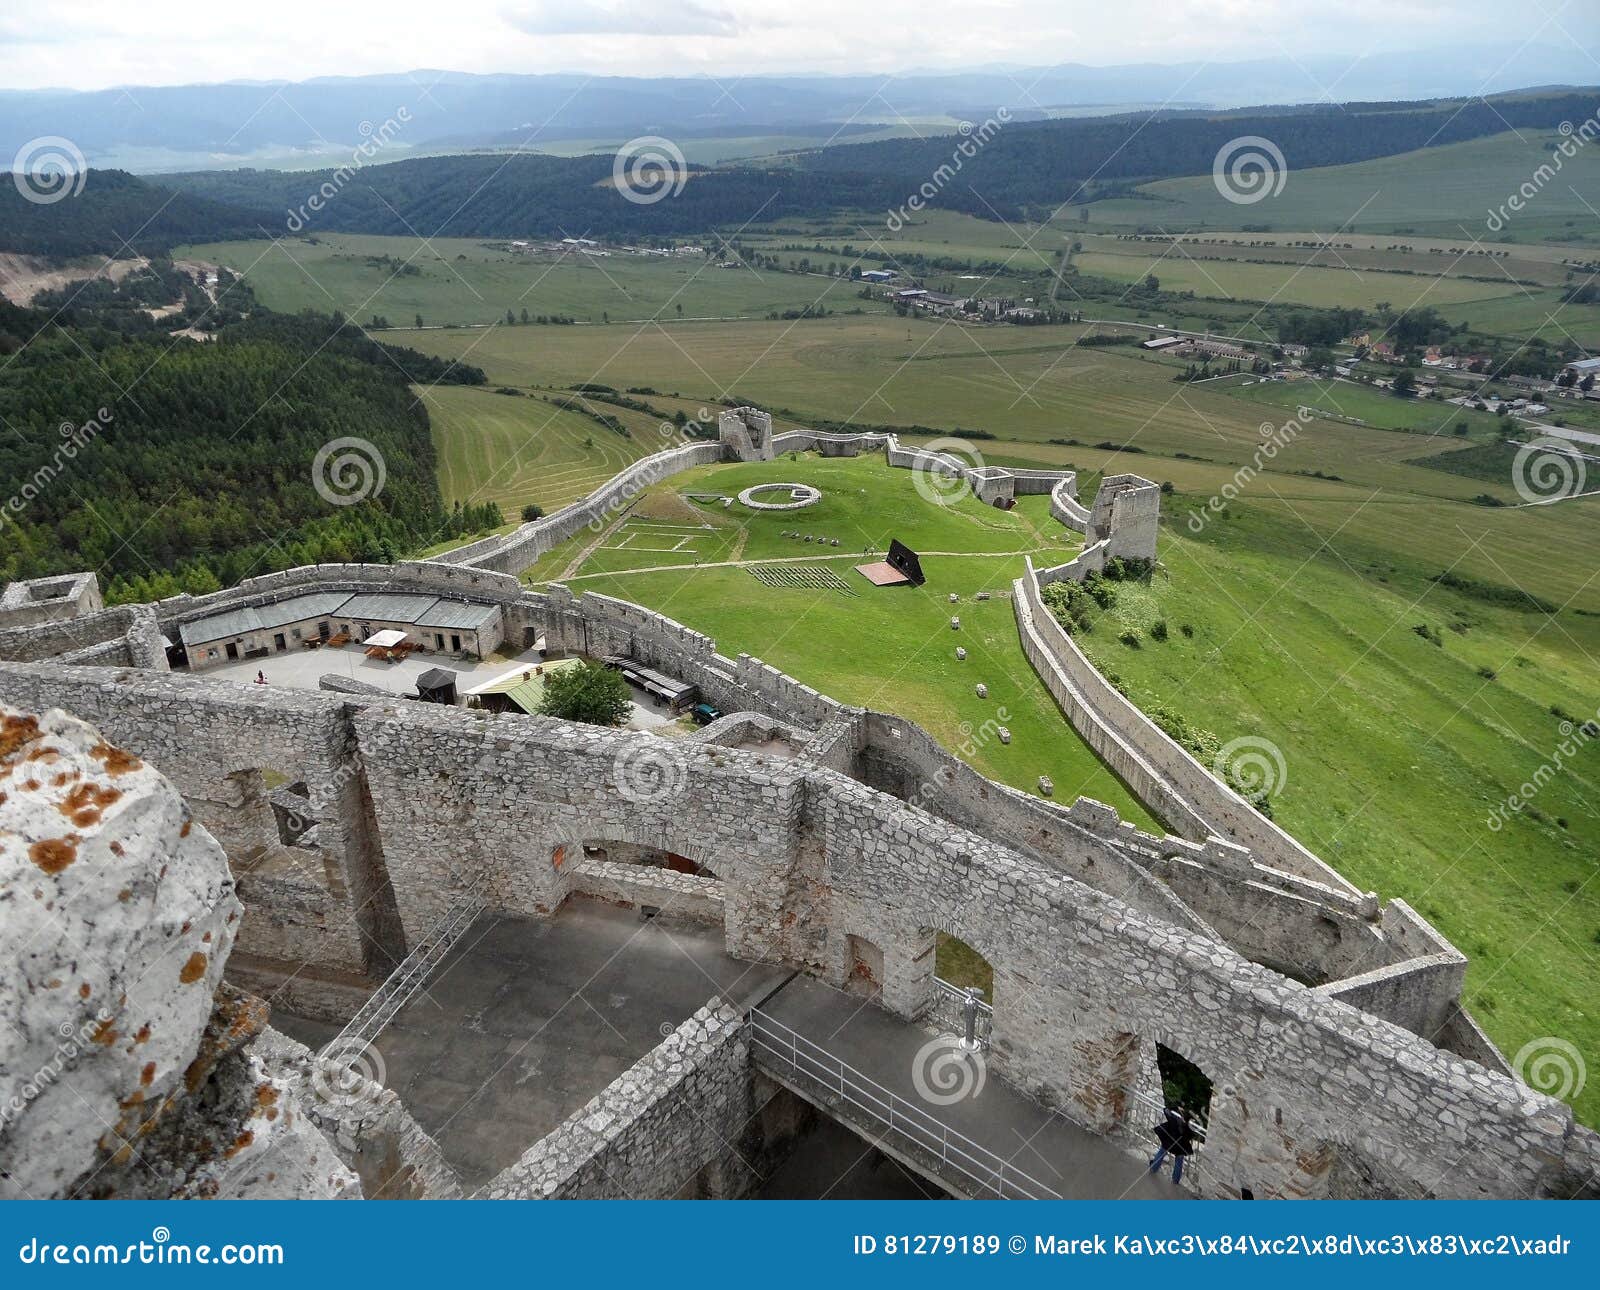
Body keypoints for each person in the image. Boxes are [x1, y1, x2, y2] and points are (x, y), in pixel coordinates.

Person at [1149, 1104, 1198, 1184]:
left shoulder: (1174, 1119)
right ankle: (1175, 1180)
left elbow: (1166, 1110)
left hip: (1169, 1142)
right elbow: (1190, 1136)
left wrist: (1176, 1107)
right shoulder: (1189, 1129)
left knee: (1161, 1153)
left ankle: (1154, 1168)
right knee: (1179, 1162)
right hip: (1180, 1147)